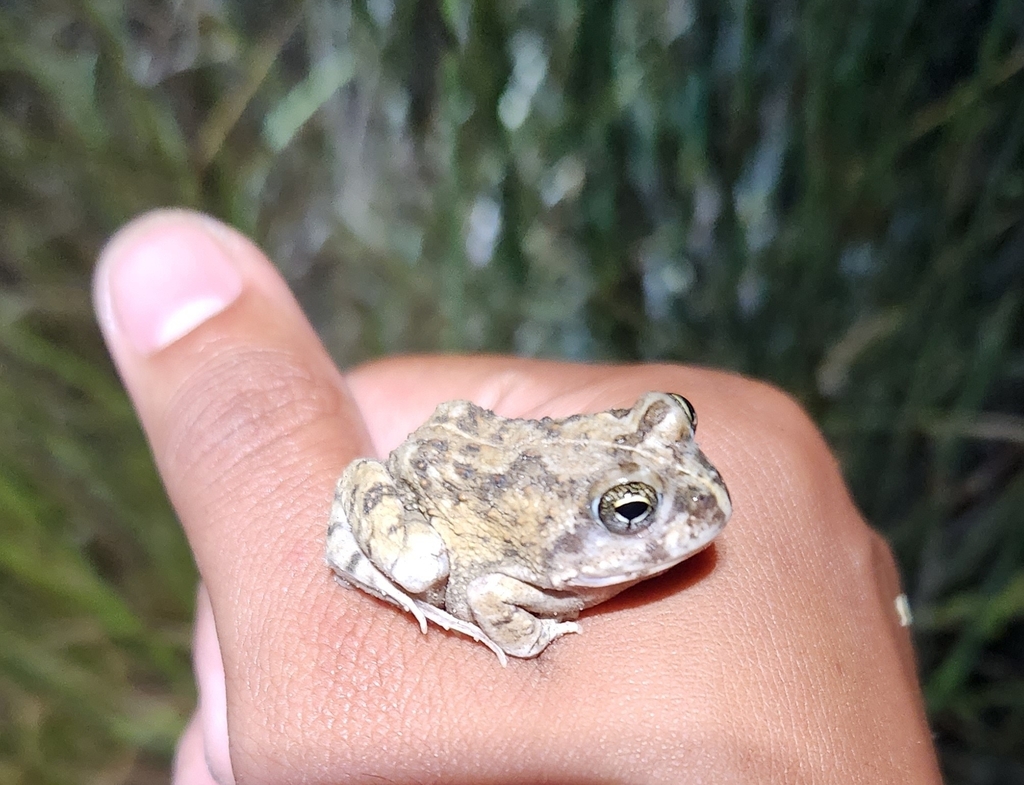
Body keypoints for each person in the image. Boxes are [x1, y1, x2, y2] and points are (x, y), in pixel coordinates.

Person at [92, 210, 943, 784]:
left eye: (677, 421)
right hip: (436, 485)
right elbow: (491, 586)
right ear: (597, 526)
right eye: (635, 511)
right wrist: (520, 630)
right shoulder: (537, 557)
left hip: (477, 442)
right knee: (427, 562)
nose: (704, 497)